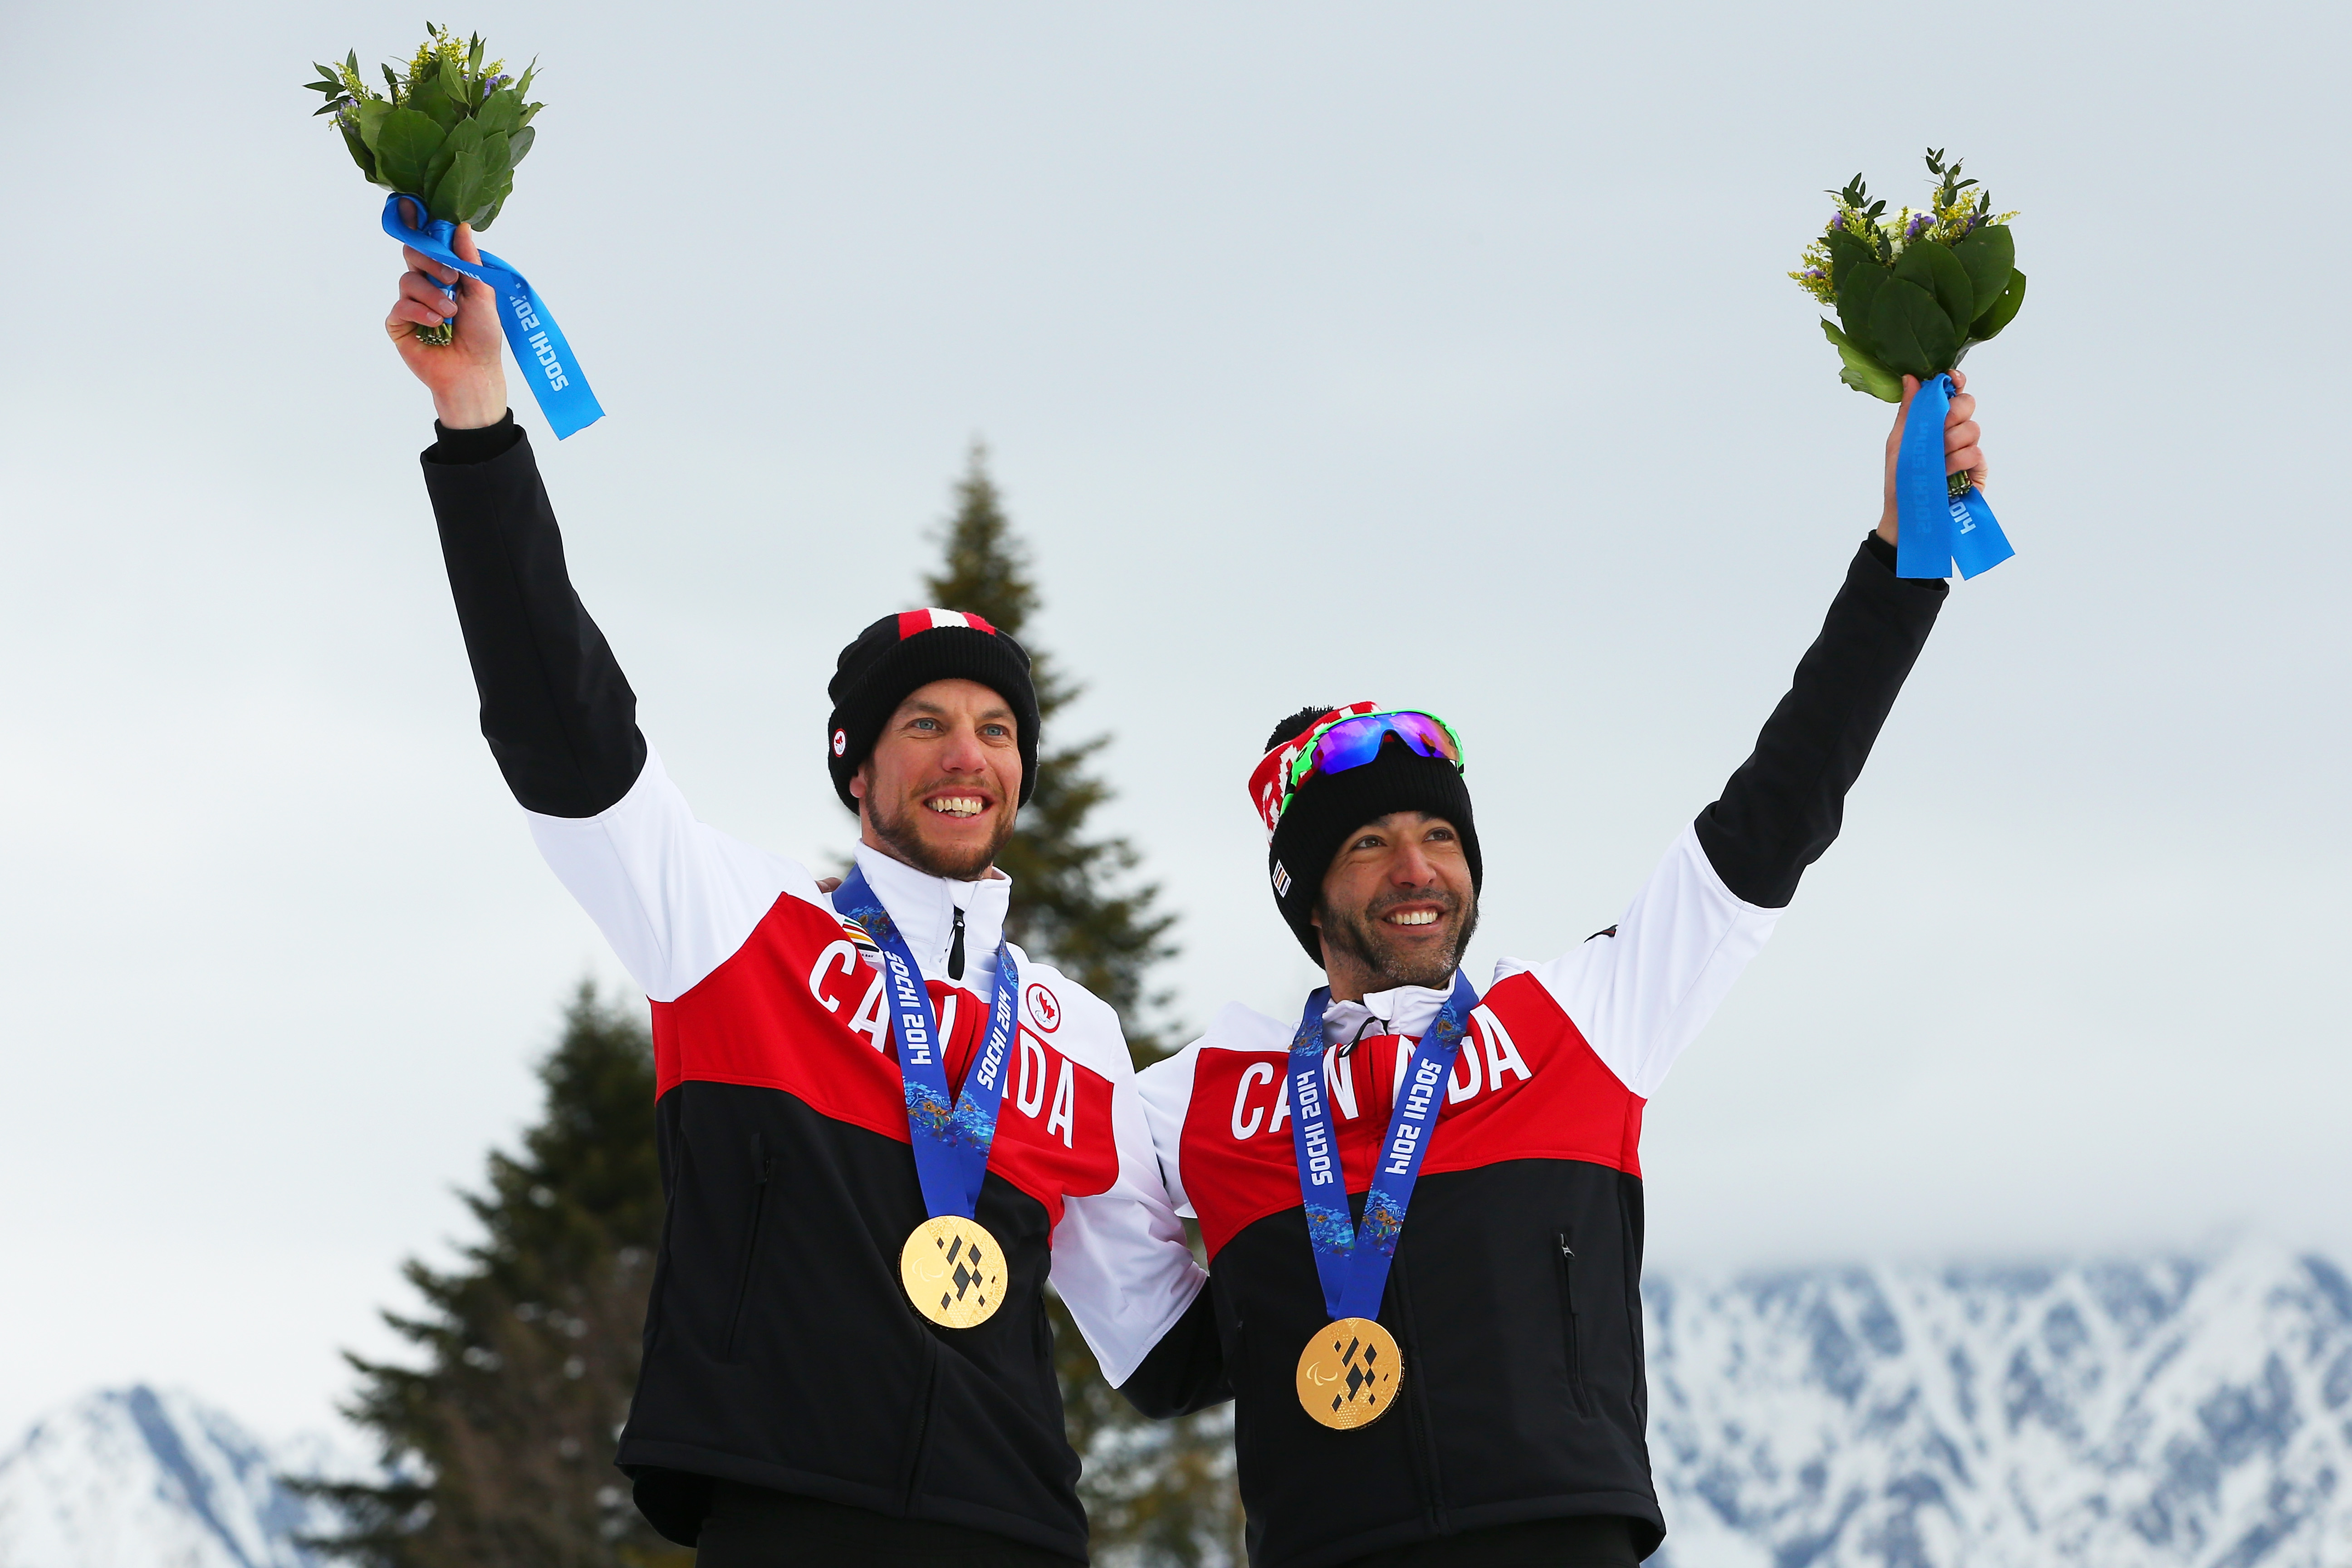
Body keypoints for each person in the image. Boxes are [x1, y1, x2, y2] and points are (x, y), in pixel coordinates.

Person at [383, 227, 1225, 1566]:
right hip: (789, 1514)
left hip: (1016, 1530)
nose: (967, 757)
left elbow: (1165, 1344)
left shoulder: (1076, 1037)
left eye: (998, 732)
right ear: (858, 766)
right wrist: (477, 426)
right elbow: (565, 732)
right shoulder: (735, 923)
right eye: (927, 726)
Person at [1134, 379, 1986, 1567]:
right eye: (1369, 845)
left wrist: (1905, 553)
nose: (1415, 870)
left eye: (1439, 838)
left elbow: (1783, 804)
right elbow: (1148, 1346)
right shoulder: (1197, 1102)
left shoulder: (1585, 1015)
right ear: (1305, 893)